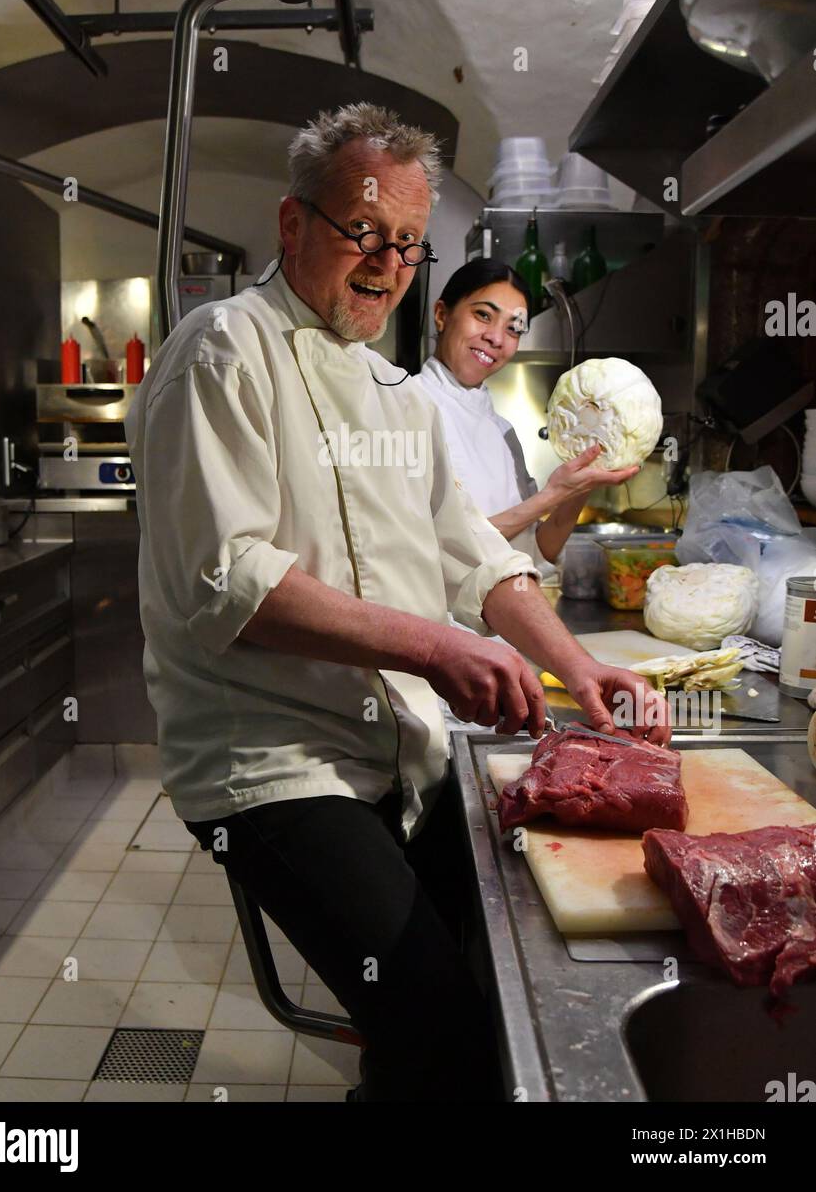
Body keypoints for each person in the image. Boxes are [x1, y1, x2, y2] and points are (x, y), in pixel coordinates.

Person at [124, 102, 669, 1104]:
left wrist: (581, 664)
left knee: (486, 962)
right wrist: (433, 650)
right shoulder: (221, 353)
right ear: (293, 226)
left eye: (409, 244)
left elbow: (473, 556)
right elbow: (227, 582)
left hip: (390, 752)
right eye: (361, 233)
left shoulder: (388, 395)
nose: (386, 264)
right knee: (441, 1025)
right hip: (270, 763)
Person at [417, 259, 639, 572]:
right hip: (444, 620)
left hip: (505, 615)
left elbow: (537, 550)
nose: (496, 338)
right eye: (483, 315)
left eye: (513, 328)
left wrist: (581, 485)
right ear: (442, 315)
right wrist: (551, 495)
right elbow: (445, 549)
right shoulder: (409, 408)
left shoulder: (503, 432)